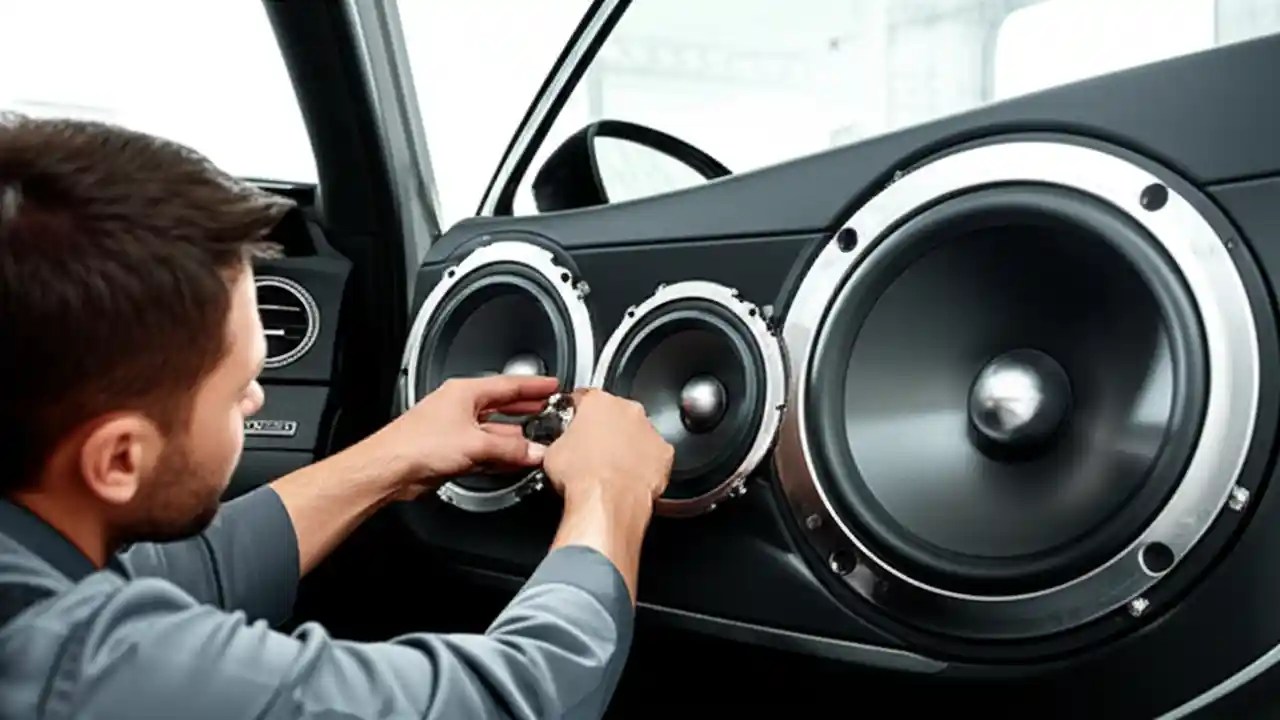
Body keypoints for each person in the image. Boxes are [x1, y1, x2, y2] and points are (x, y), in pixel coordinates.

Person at [0, 113, 675, 719]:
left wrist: (390, 456)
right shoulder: (72, 669)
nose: (257, 398)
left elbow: (165, 574)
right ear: (119, 458)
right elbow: (512, 701)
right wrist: (607, 494)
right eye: (240, 386)